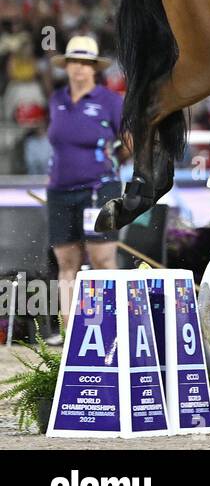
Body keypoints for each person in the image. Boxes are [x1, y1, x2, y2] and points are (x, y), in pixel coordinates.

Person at [44, 36, 127, 342]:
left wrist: (110, 163)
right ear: (67, 66)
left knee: (102, 257)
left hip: (99, 187)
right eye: (74, 62)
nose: (79, 68)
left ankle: (111, 329)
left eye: (85, 63)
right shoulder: (57, 100)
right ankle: (69, 333)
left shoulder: (111, 101)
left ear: (94, 68)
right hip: (60, 190)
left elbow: (129, 139)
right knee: (66, 261)